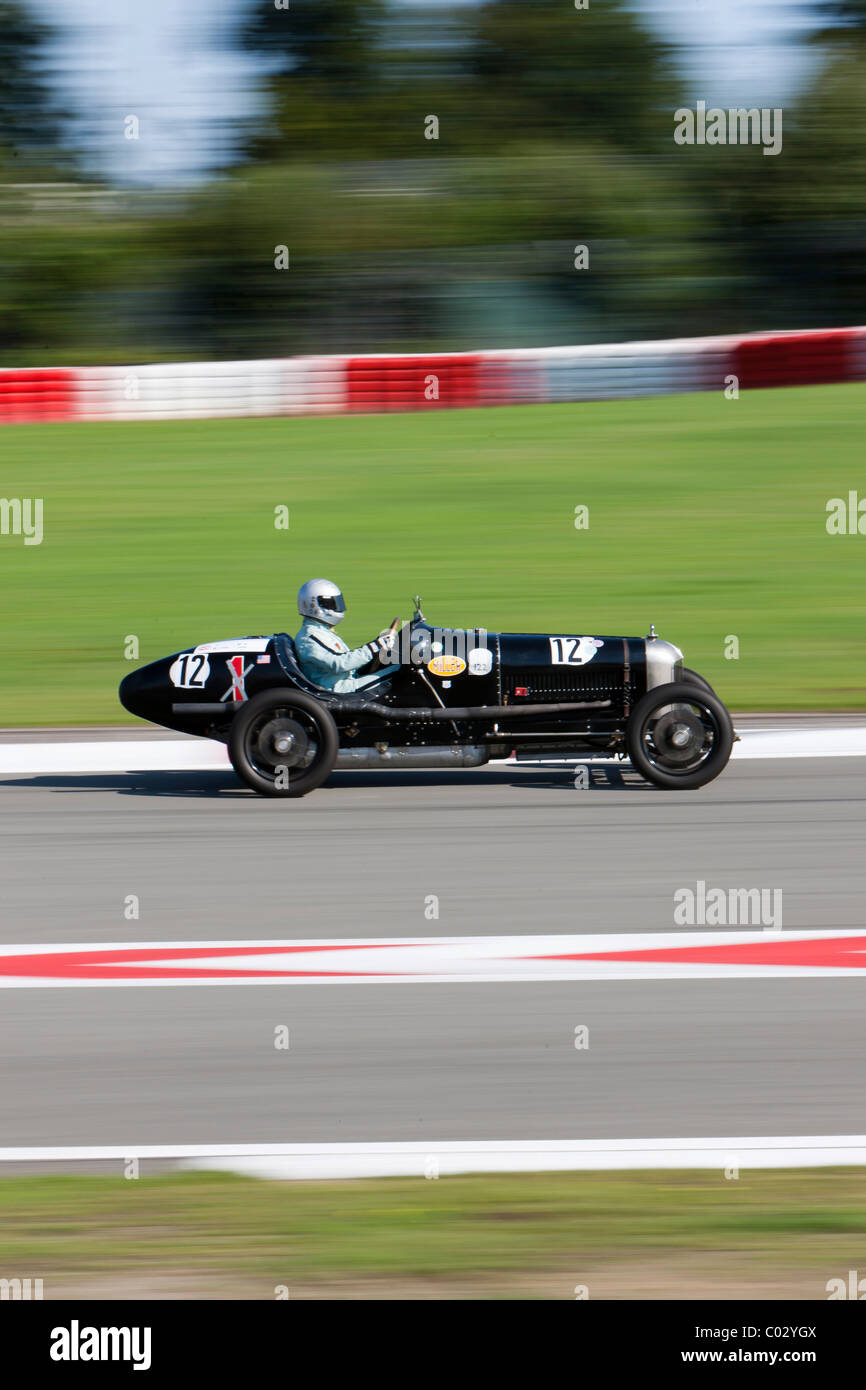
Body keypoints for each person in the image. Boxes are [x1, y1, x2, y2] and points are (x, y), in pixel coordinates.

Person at [293, 578, 399, 693]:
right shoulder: (309, 638)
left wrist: (378, 645)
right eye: (331, 604)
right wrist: (376, 646)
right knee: (401, 671)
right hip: (339, 689)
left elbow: (347, 658)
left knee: (399, 664)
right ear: (314, 606)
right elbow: (340, 663)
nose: (337, 608)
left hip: (347, 679)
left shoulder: (321, 631)